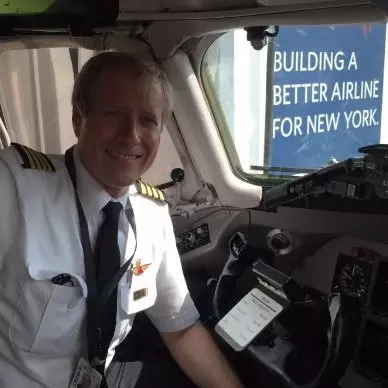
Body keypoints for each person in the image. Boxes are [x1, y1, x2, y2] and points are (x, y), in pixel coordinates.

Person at [0, 51, 245, 388]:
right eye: (113, 114)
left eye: (147, 121)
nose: (130, 135)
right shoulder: (14, 188)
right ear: (78, 119)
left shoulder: (152, 214)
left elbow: (181, 329)